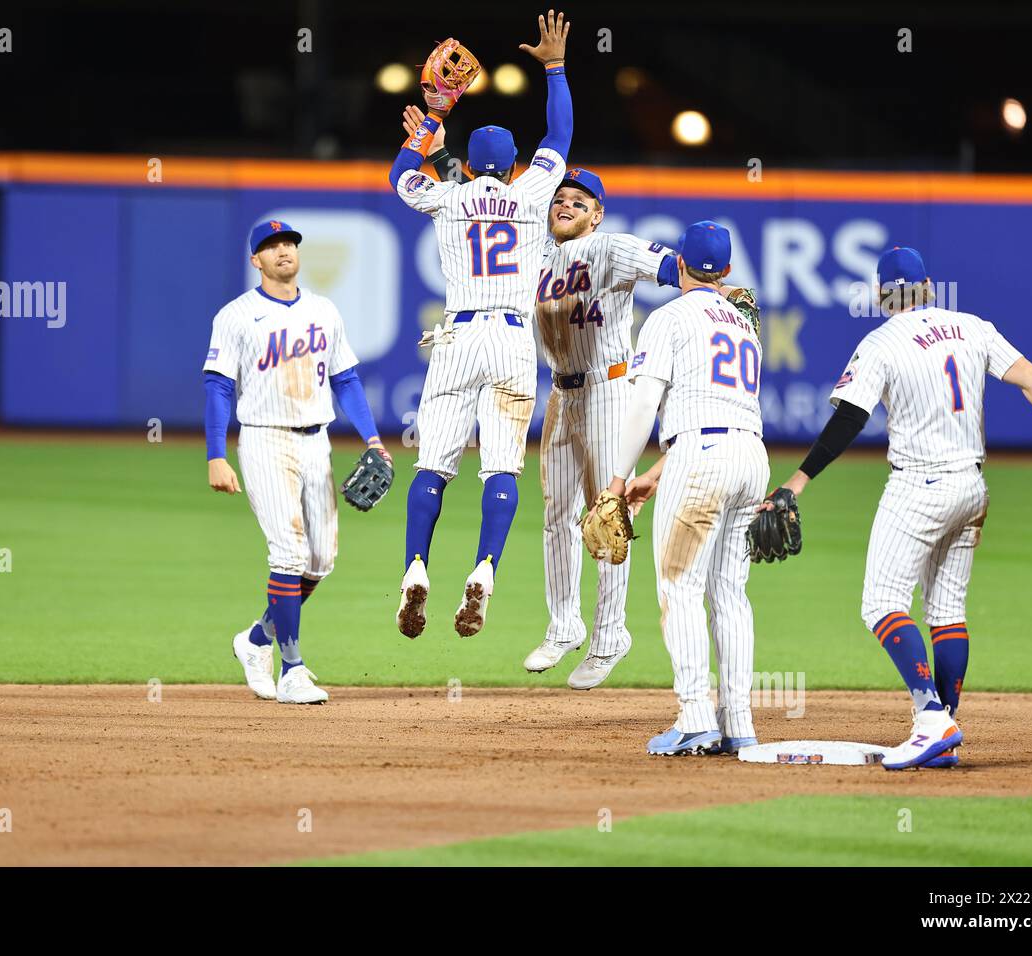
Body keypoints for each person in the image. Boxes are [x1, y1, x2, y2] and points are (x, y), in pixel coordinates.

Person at [767, 245, 1032, 769]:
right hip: (972, 489)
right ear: (928, 288)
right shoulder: (972, 326)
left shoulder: (881, 341)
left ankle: (931, 720)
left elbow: (849, 420)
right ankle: (943, 724)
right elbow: (1029, 376)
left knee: (881, 604)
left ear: (883, 295)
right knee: (946, 613)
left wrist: (798, 479)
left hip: (919, 489)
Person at [386, 10, 572, 639]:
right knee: (500, 470)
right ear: (516, 162)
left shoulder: (447, 195)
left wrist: (435, 112)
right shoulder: (531, 193)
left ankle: (416, 567)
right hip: (514, 340)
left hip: (458, 335)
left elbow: (400, 176)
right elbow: (562, 134)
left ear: (467, 161)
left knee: (433, 467)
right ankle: (485, 570)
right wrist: (554, 66)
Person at [203, 219, 390, 704]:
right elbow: (219, 386)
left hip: (316, 442)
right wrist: (216, 456)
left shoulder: (324, 311)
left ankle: (256, 640)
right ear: (256, 261)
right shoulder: (237, 316)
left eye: (288, 243)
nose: (283, 250)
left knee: (321, 561)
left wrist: (373, 440)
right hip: (265, 440)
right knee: (287, 554)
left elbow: (346, 380)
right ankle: (293, 669)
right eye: (270, 245)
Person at [604, 221, 769, 755]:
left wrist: (618, 479)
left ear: (677, 265)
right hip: (751, 457)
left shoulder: (668, 316)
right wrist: (656, 474)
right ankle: (738, 720)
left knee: (680, 588)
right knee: (729, 593)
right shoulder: (744, 323)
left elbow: (645, 404)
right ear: (724, 271)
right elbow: (716, 407)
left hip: (700, 457)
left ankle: (697, 716)